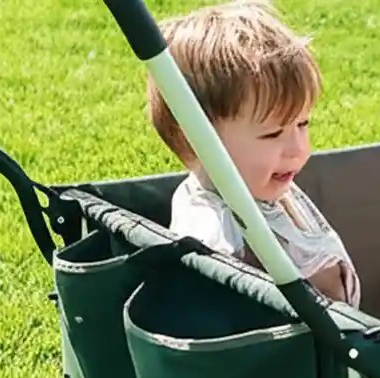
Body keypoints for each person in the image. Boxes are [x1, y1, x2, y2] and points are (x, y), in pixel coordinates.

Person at [146, 0, 360, 306]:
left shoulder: (260, 189)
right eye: (273, 134)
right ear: (196, 139)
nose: (299, 149)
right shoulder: (215, 234)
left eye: (303, 124)